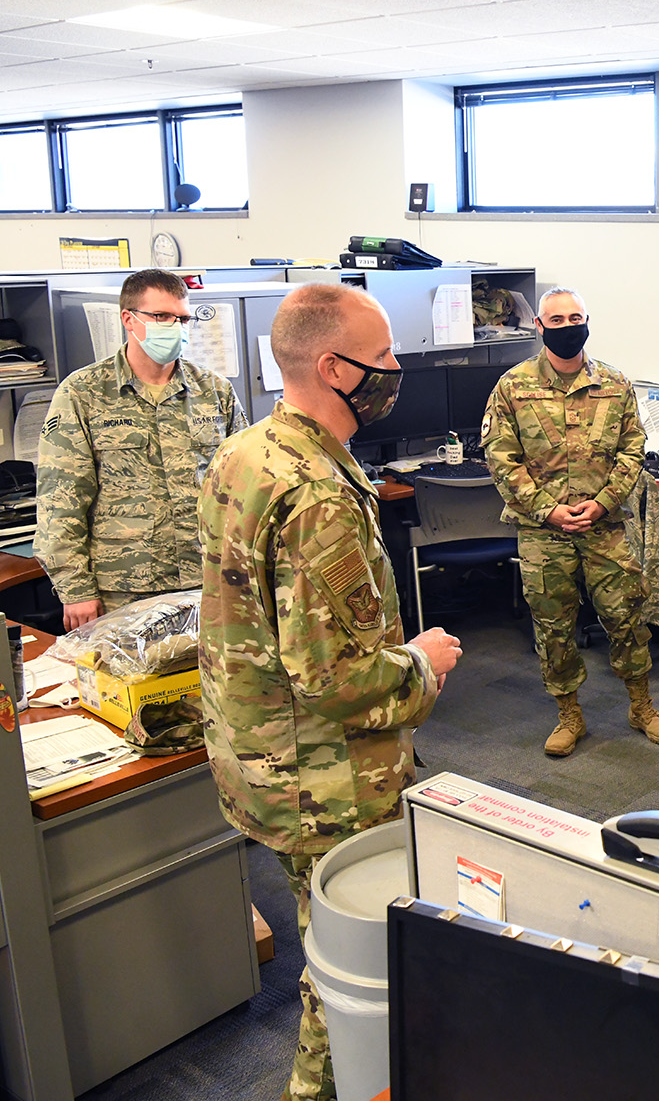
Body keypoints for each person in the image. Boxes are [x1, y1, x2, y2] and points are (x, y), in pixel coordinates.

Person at [198, 283, 463, 1101]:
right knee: (355, 963)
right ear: (331, 366)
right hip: (323, 778)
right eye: (382, 357)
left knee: (328, 942)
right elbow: (339, 680)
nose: (395, 370)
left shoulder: (248, 451)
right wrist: (424, 661)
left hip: (255, 756)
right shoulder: (315, 495)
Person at [481, 287, 659, 756]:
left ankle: (641, 705)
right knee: (553, 627)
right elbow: (501, 457)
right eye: (557, 319)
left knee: (626, 615)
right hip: (542, 530)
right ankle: (569, 714)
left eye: (576, 317)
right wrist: (547, 508)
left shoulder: (614, 382)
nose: (568, 326)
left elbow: (633, 449)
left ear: (587, 320)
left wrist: (605, 502)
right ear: (540, 327)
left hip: (604, 525)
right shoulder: (513, 386)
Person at [37, 268, 246, 630]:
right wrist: (75, 589)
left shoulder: (214, 391)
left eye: (182, 319)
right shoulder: (83, 393)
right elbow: (61, 500)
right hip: (123, 590)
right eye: (161, 316)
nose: (175, 327)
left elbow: (245, 484)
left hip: (208, 580)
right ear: (128, 319)